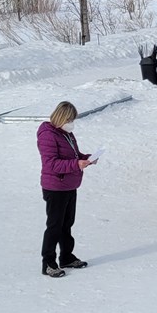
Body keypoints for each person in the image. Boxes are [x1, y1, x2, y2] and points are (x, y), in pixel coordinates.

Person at [37, 101, 97, 278]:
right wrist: (76, 164)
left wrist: (87, 158)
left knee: (67, 224)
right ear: (62, 117)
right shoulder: (48, 134)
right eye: (70, 119)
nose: (72, 123)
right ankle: (48, 262)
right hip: (55, 187)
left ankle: (66, 257)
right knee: (54, 226)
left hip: (70, 185)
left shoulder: (67, 134)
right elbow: (51, 163)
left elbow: (74, 155)